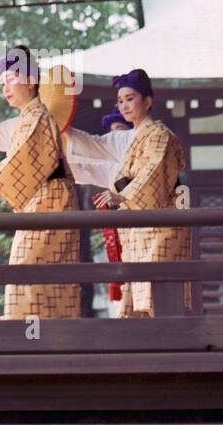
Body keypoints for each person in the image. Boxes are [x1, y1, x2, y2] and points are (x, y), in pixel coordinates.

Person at [0, 45, 80, 321]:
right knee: (39, 274)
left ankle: (34, 335)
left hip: (51, 202)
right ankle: (42, 334)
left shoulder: (38, 116)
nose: (5, 87)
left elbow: (22, 155)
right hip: (43, 202)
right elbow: (2, 144)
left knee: (29, 269)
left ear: (31, 80)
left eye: (11, 78)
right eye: (2, 82)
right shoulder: (26, 118)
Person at [66, 69, 190, 317]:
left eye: (130, 98)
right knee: (136, 297)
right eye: (120, 101)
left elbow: (153, 172)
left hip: (161, 226)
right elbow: (95, 146)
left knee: (157, 293)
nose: (124, 105)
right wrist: (62, 127)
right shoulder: (130, 139)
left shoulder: (159, 135)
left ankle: (170, 350)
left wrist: (123, 194)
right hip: (139, 227)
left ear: (147, 101)